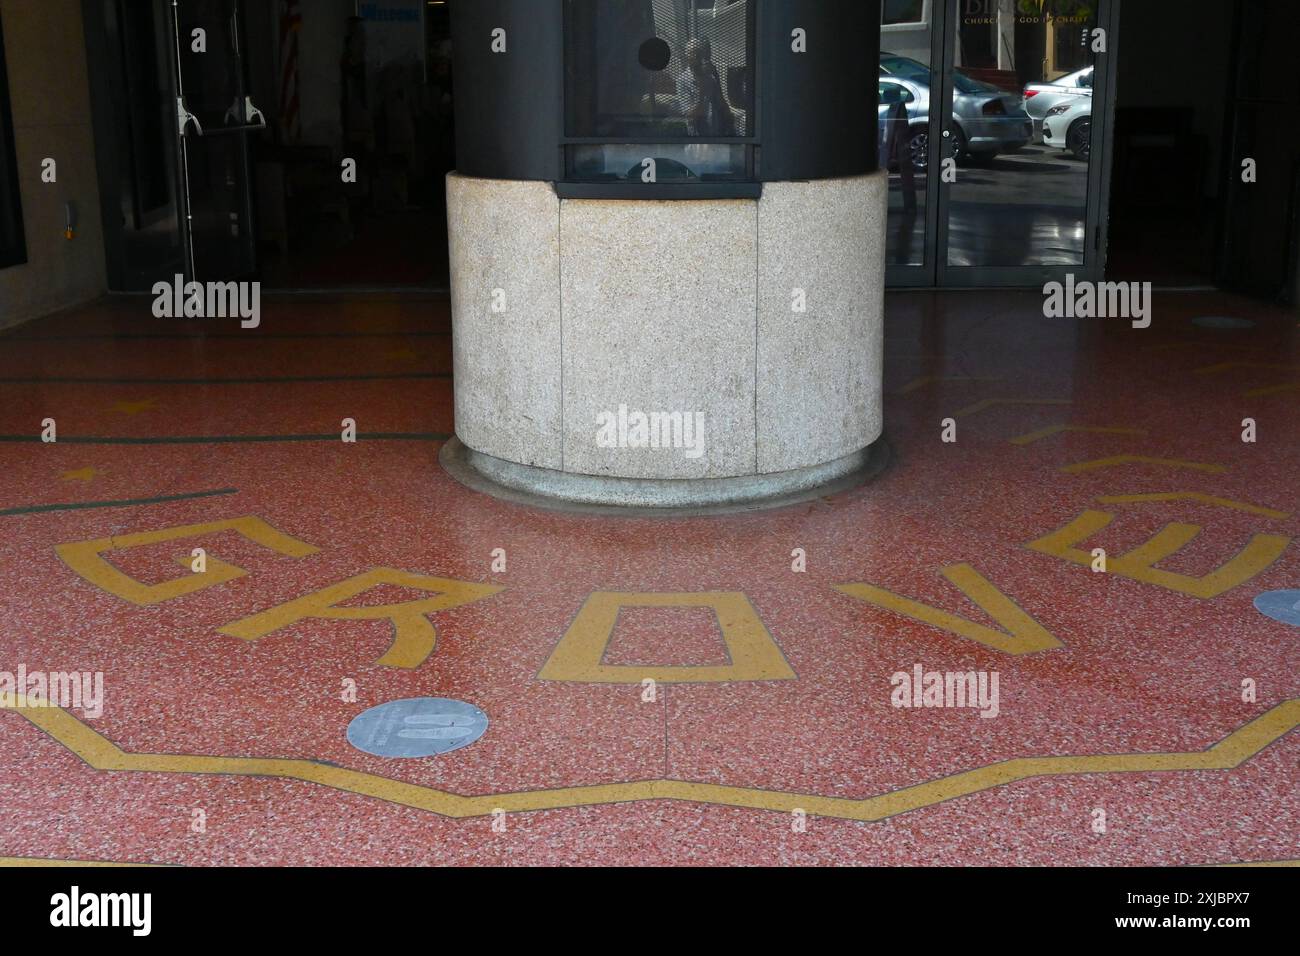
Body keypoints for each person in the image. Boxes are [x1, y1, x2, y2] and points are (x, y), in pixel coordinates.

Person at [677, 38, 735, 137]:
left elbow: (720, 102)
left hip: (716, 131)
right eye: (692, 53)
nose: (695, 56)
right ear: (687, 56)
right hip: (698, 136)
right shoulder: (683, 80)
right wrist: (701, 93)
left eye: (698, 53)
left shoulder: (710, 78)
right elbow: (690, 115)